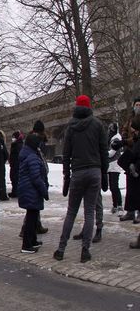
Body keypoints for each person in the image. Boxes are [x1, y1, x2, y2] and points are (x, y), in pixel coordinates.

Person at [55, 95, 107, 263]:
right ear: (89, 106)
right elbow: (103, 151)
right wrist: (104, 172)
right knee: (89, 211)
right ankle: (85, 250)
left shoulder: (71, 127)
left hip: (77, 172)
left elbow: (66, 154)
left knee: (71, 212)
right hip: (94, 171)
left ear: (77, 107)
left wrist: (66, 175)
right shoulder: (97, 125)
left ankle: (61, 249)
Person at [17, 132, 48, 253]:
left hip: (28, 190)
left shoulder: (28, 154)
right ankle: (27, 244)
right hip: (32, 191)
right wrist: (44, 191)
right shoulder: (32, 157)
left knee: (33, 216)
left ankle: (33, 240)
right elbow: (36, 177)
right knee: (31, 218)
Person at [108, 127, 124, 216]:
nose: (109, 130)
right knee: (112, 187)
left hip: (114, 165)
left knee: (114, 186)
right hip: (111, 166)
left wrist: (102, 153)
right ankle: (115, 205)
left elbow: (111, 153)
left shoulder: (116, 139)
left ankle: (119, 205)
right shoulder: (112, 138)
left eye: (111, 128)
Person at [9, 130, 24, 199]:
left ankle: (16, 192)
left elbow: (18, 155)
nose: (13, 139)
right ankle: (15, 191)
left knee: (15, 178)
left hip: (16, 165)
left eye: (14, 137)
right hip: (14, 164)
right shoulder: (16, 144)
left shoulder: (18, 145)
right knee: (13, 178)